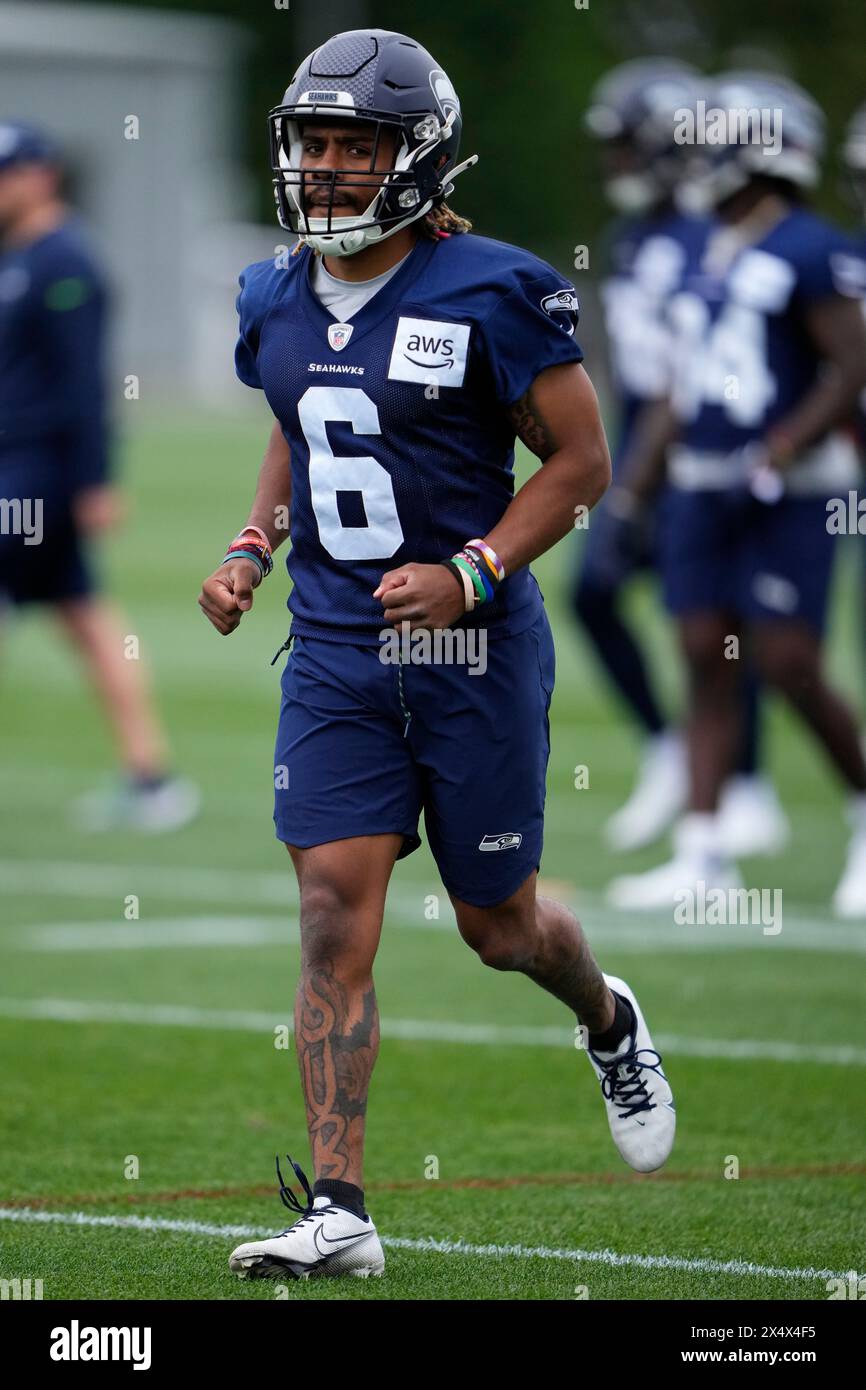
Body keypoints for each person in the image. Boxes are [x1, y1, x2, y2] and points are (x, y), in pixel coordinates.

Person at [197, 29, 676, 1282]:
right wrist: (255, 542)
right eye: (313, 142)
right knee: (327, 913)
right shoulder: (274, 293)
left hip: (473, 658)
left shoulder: (492, 290)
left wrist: (472, 571)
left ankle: (609, 1020)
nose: (328, 169)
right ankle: (341, 1208)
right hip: (339, 653)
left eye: (355, 146)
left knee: (498, 928)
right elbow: (299, 426)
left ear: (413, 158)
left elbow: (580, 463)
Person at [604, 74, 866, 915]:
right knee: (703, 656)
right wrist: (630, 490)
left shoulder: (812, 247)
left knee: (787, 661)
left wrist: (783, 445)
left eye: (718, 137)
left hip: (789, 489)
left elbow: (851, 367)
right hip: (701, 486)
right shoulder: (695, 247)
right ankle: (704, 848)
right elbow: (681, 390)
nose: (701, 153)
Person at [575, 60, 788, 856]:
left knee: (717, 621)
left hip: (703, 449)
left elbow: (694, 373)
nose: (619, 160)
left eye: (631, 144)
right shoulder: (627, 237)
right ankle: (669, 750)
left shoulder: (712, 233)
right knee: (595, 592)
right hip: (635, 446)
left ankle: (749, 783)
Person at [0, 122, 199, 832]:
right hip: (18, 466)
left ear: (41, 175)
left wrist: (95, 480)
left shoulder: (64, 263)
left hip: (35, 472)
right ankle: (152, 777)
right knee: (84, 615)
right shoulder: (16, 259)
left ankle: (153, 780)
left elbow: (84, 383)